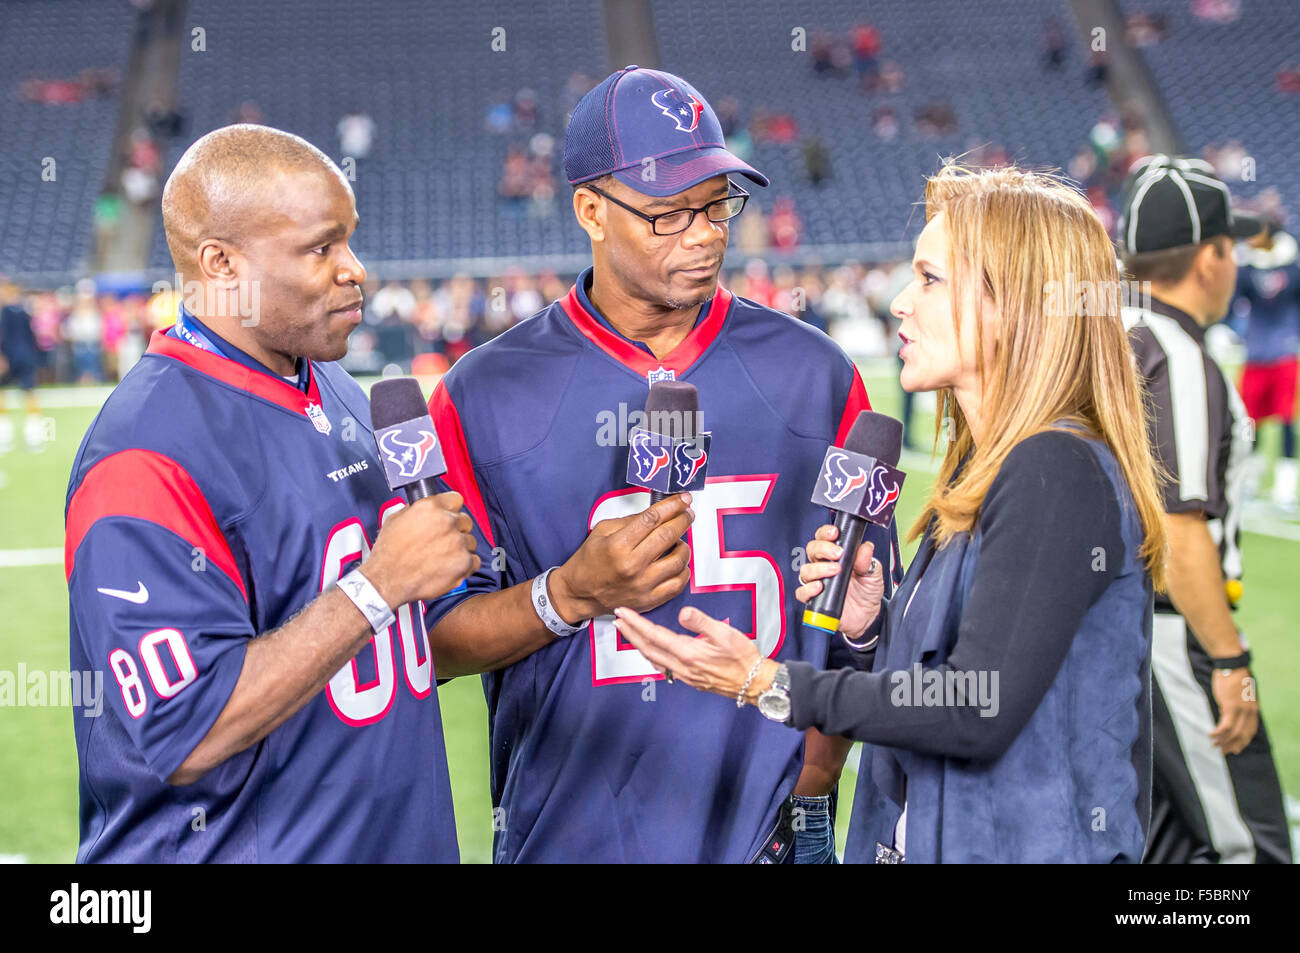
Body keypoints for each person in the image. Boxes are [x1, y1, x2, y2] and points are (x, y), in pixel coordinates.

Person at [615, 164, 1169, 863]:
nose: (901, 302)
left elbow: (978, 708)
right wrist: (878, 625)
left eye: (930, 279)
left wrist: (767, 681)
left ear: (1017, 304)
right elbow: (978, 673)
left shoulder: (1052, 467)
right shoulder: (993, 464)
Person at [422, 66, 901, 864]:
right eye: (670, 213)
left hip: (772, 834)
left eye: (717, 202)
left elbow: (865, 623)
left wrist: (816, 779)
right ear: (589, 210)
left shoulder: (815, 375)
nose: (706, 232)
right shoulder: (483, 395)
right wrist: (565, 593)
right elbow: (433, 641)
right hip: (568, 833)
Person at [65, 125, 478, 862]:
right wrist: (379, 585)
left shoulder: (343, 392)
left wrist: (566, 595)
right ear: (221, 263)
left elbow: (425, 639)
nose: (355, 269)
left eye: (349, 241)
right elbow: (187, 731)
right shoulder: (146, 451)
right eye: (322, 249)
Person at [1117, 155, 1292, 863]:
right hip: (1172, 633)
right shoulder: (1177, 354)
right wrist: (1231, 660)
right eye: (1229, 245)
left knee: (1165, 849)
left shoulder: (1110, 334)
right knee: (1249, 846)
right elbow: (1183, 533)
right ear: (1210, 257)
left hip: (1115, 637)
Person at [1234, 220, 1299, 508]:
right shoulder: (1248, 270)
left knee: (1286, 419)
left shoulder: (1293, 268)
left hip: (1284, 353)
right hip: (1255, 354)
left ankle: (1285, 486)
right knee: (1251, 422)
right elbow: (1237, 296)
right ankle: (1250, 479)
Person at [0, 282, 45, 453]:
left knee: (2, 394)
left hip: (8, 356)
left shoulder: (4, 312)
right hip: (26, 356)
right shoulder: (25, 311)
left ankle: (4, 435)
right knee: (30, 392)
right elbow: (31, 336)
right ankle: (34, 436)